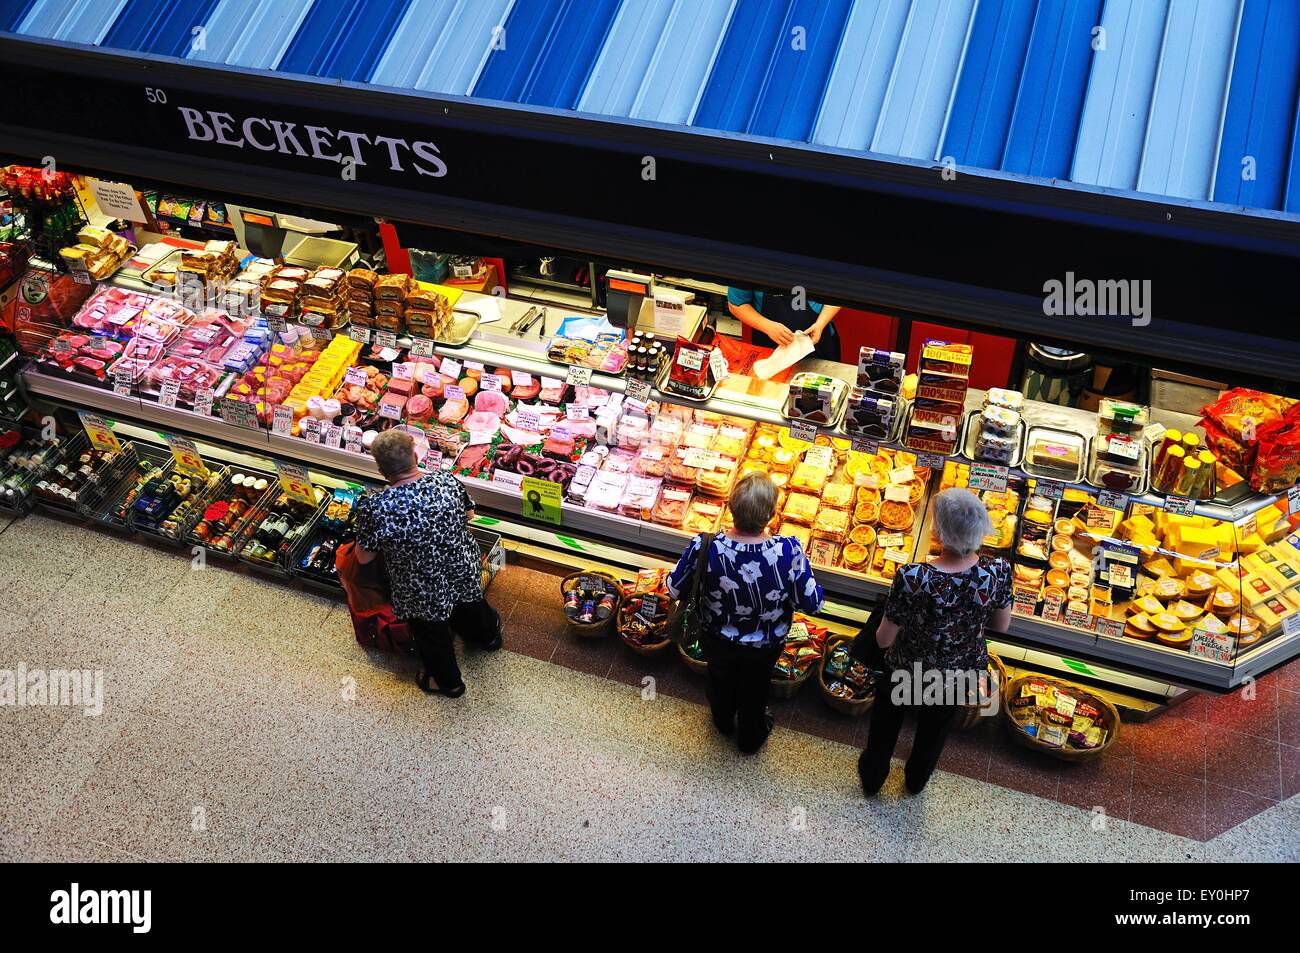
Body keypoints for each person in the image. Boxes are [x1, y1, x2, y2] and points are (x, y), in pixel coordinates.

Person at [858, 488, 1012, 795]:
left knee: (886, 726)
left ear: (938, 532)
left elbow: (884, 639)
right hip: (958, 673)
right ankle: (916, 781)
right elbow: (1001, 625)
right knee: (934, 730)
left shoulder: (914, 576)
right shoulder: (997, 572)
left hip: (907, 669)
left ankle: (873, 780)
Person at [667, 472, 824, 753]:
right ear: (772, 515)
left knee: (719, 681)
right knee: (756, 689)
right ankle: (750, 739)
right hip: (766, 644)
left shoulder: (705, 545)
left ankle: (723, 722)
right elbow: (813, 604)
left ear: (730, 508)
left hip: (716, 636)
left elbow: (674, 588)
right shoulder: (789, 550)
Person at [354, 429, 501, 698]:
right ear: (415, 456)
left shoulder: (376, 507)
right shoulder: (446, 481)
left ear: (381, 470)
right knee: (471, 603)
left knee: (432, 633)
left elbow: (364, 557)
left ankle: (448, 683)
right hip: (461, 567)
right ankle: (488, 638)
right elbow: (469, 514)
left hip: (419, 586)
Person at [727, 286, 842, 361]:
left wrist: (821, 323)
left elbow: (838, 292)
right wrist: (767, 326)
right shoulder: (750, 259)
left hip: (817, 343)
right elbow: (736, 304)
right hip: (769, 347)